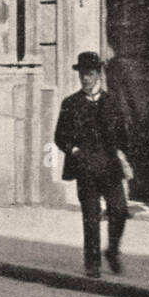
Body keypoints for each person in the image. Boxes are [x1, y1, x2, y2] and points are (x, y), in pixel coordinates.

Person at [54, 52, 132, 279]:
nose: (85, 79)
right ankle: (92, 263)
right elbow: (60, 136)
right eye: (82, 74)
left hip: (110, 169)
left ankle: (113, 251)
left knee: (119, 210)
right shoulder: (70, 103)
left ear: (98, 74)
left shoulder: (112, 102)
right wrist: (74, 151)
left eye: (89, 74)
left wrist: (122, 156)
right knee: (91, 217)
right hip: (85, 169)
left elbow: (123, 135)